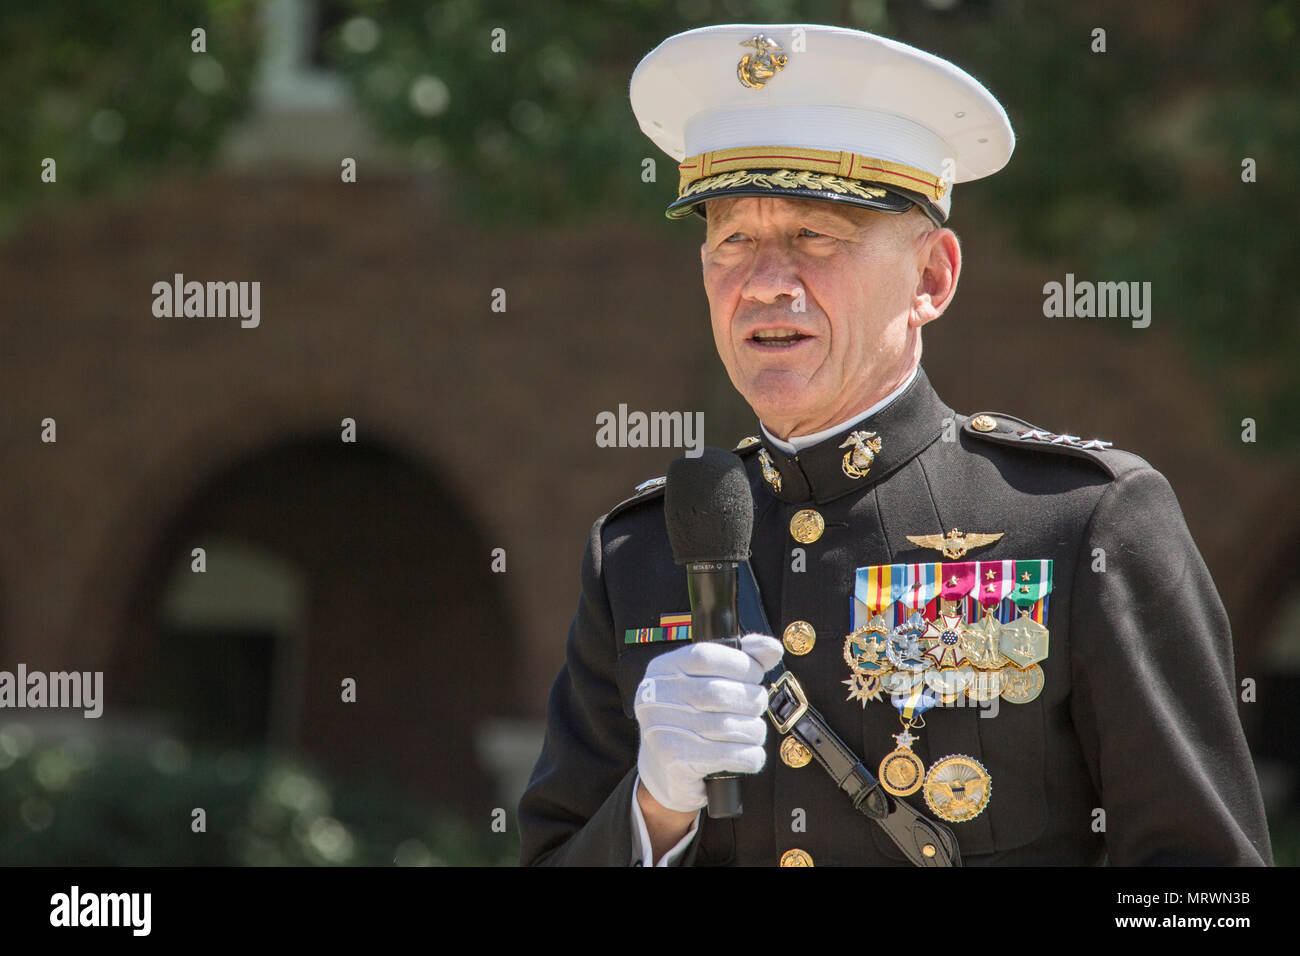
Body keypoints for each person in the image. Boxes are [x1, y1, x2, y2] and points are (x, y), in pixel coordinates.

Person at [518, 23, 1272, 866]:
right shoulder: (638, 553)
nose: (766, 281)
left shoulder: (1082, 522)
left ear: (932, 278)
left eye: (815, 235)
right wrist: (654, 811)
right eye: (734, 238)